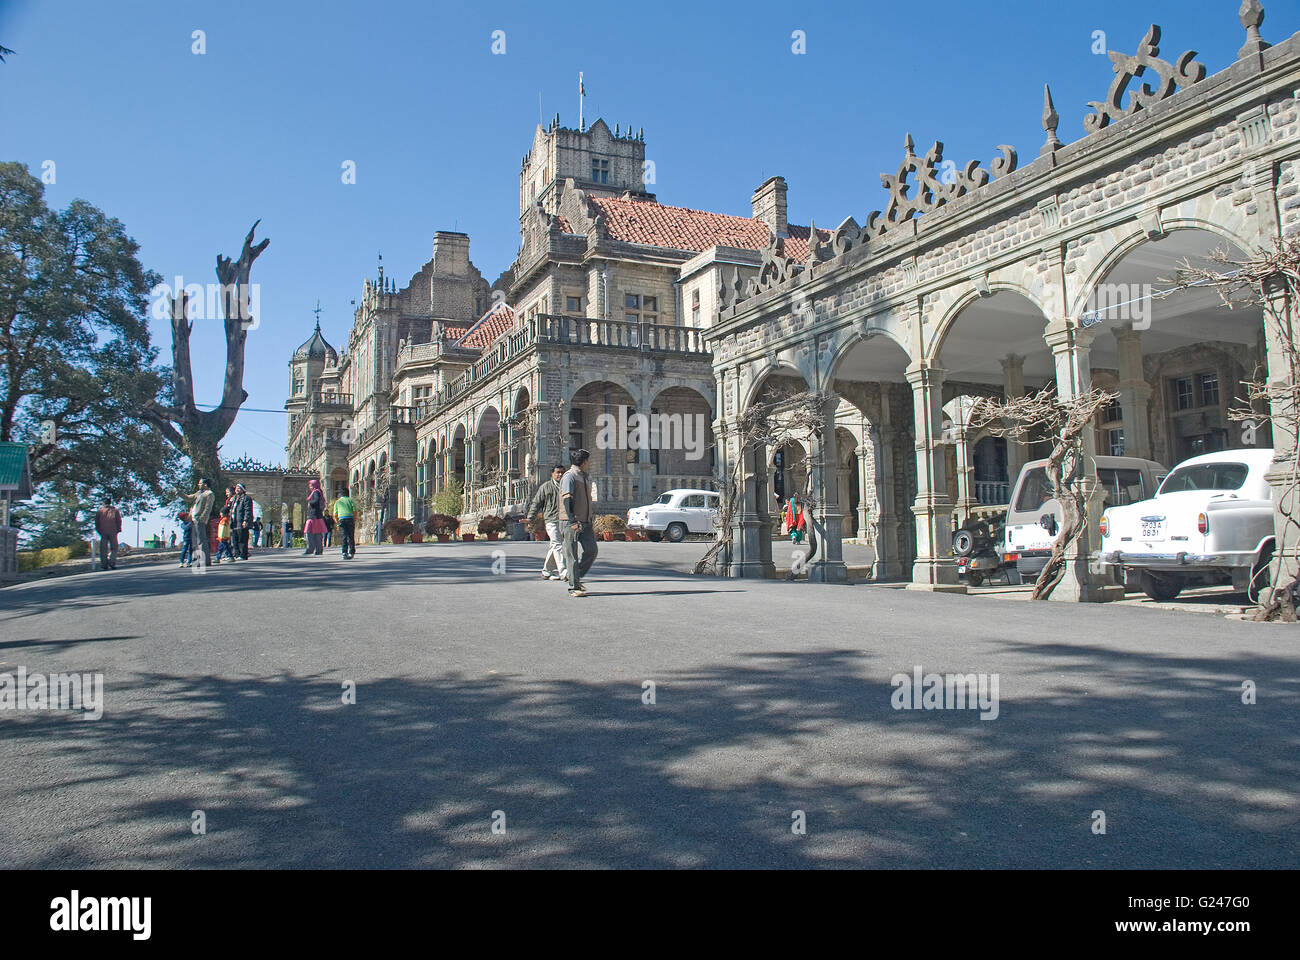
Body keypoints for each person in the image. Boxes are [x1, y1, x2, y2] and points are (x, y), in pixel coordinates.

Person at [560, 449, 598, 597]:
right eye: (588, 461)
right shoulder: (569, 476)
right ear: (583, 462)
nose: (588, 464)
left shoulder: (584, 477)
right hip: (571, 521)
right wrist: (572, 520)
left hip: (586, 521)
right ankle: (574, 587)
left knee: (591, 550)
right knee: (572, 555)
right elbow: (566, 499)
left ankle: (574, 575)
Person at [526, 464, 567, 581]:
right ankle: (564, 572)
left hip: (564, 520)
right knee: (557, 544)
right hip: (551, 520)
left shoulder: (567, 486)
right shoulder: (546, 487)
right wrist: (530, 518)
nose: (560, 474)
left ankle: (546, 572)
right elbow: (536, 503)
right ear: (552, 474)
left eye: (562, 472)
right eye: (558, 472)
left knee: (554, 545)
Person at [182, 478, 215, 567]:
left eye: (200, 483)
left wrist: (202, 518)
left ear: (205, 484)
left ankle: (204, 560)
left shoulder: (209, 494)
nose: (198, 485)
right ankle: (197, 559)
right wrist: (179, 493)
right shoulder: (198, 493)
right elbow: (188, 498)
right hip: (193, 519)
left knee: (201, 540)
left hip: (200, 519)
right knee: (195, 541)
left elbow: (208, 508)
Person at [94, 497, 123, 571]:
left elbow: (97, 523)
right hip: (113, 531)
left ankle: (104, 565)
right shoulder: (115, 511)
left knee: (103, 549)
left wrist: (99, 531)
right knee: (114, 548)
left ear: (103, 503)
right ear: (110, 503)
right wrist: (118, 530)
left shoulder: (100, 511)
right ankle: (112, 562)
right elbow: (119, 521)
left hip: (103, 532)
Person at [229, 483, 253, 561]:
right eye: (236, 488)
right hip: (234, 521)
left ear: (243, 490)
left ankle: (243, 554)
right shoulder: (234, 498)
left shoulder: (246, 498)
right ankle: (237, 554)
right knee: (234, 538)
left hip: (241, 521)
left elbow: (248, 510)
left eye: (239, 488)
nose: (237, 489)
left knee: (242, 538)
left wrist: (246, 520)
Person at [303, 479, 327, 555]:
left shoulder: (316, 492)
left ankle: (310, 549)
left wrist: (310, 502)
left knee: (309, 533)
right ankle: (319, 550)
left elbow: (316, 501)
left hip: (313, 516)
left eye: (310, 485)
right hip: (317, 516)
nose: (309, 487)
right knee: (317, 534)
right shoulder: (318, 492)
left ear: (314, 485)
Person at [333, 487, 356, 559]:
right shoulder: (350, 500)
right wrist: (354, 519)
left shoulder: (338, 502)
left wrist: (337, 522)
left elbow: (335, 514)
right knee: (351, 536)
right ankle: (352, 552)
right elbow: (354, 511)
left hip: (341, 519)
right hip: (350, 519)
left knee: (344, 536)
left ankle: (344, 552)